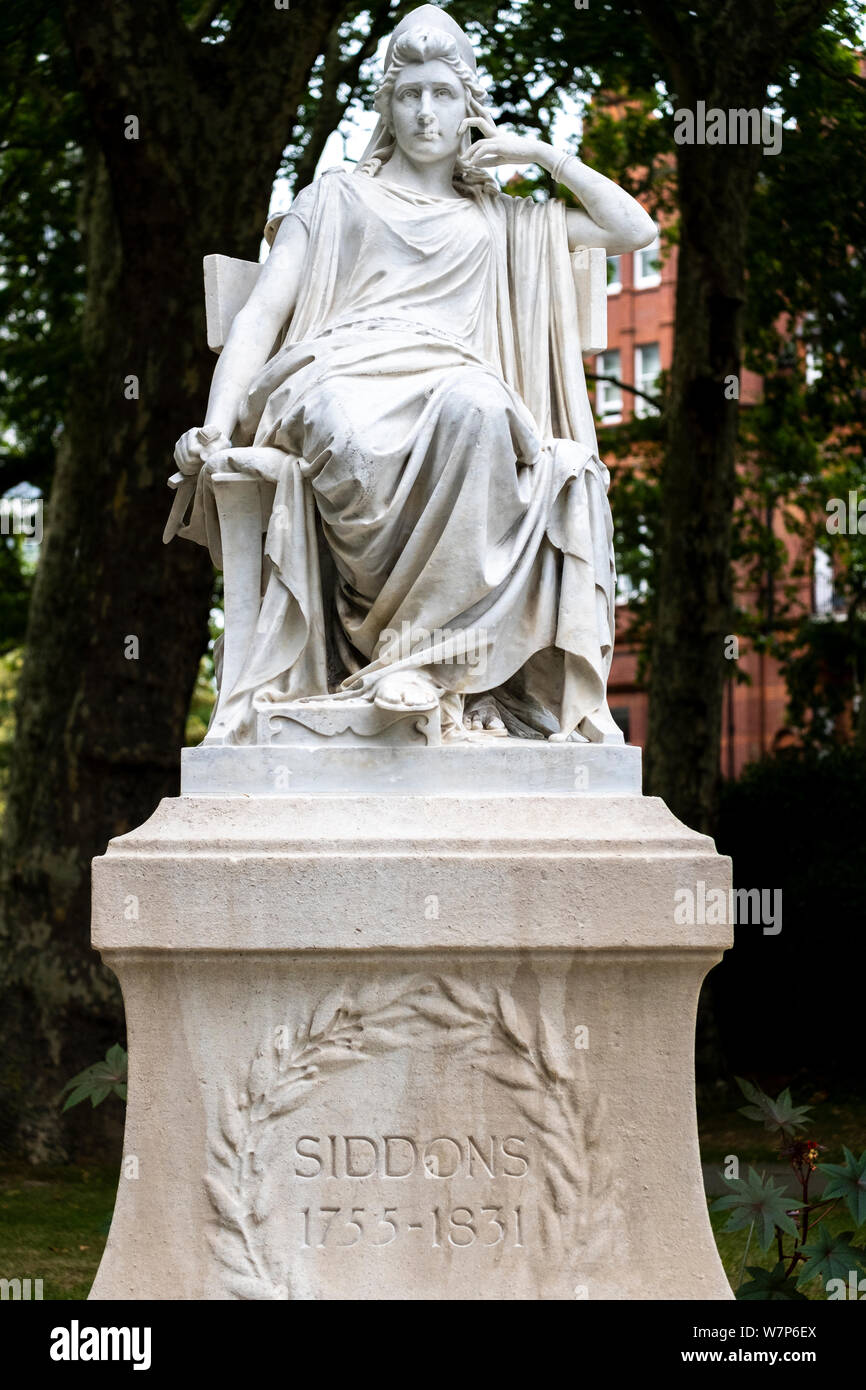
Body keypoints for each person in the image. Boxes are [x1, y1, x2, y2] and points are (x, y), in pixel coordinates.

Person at [170, 5, 657, 745]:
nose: (426, 112)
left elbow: (634, 231)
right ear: (386, 107)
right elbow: (261, 316)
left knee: (484, 409)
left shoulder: (503, 219)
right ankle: (400, 645)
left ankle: (422, 659)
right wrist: (215, 420)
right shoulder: (334, 198)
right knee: (350, 426)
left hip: (452, 381)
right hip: (335, 370)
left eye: (443, 94)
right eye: (409, 94)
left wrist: (542, 156)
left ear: (470, 108)